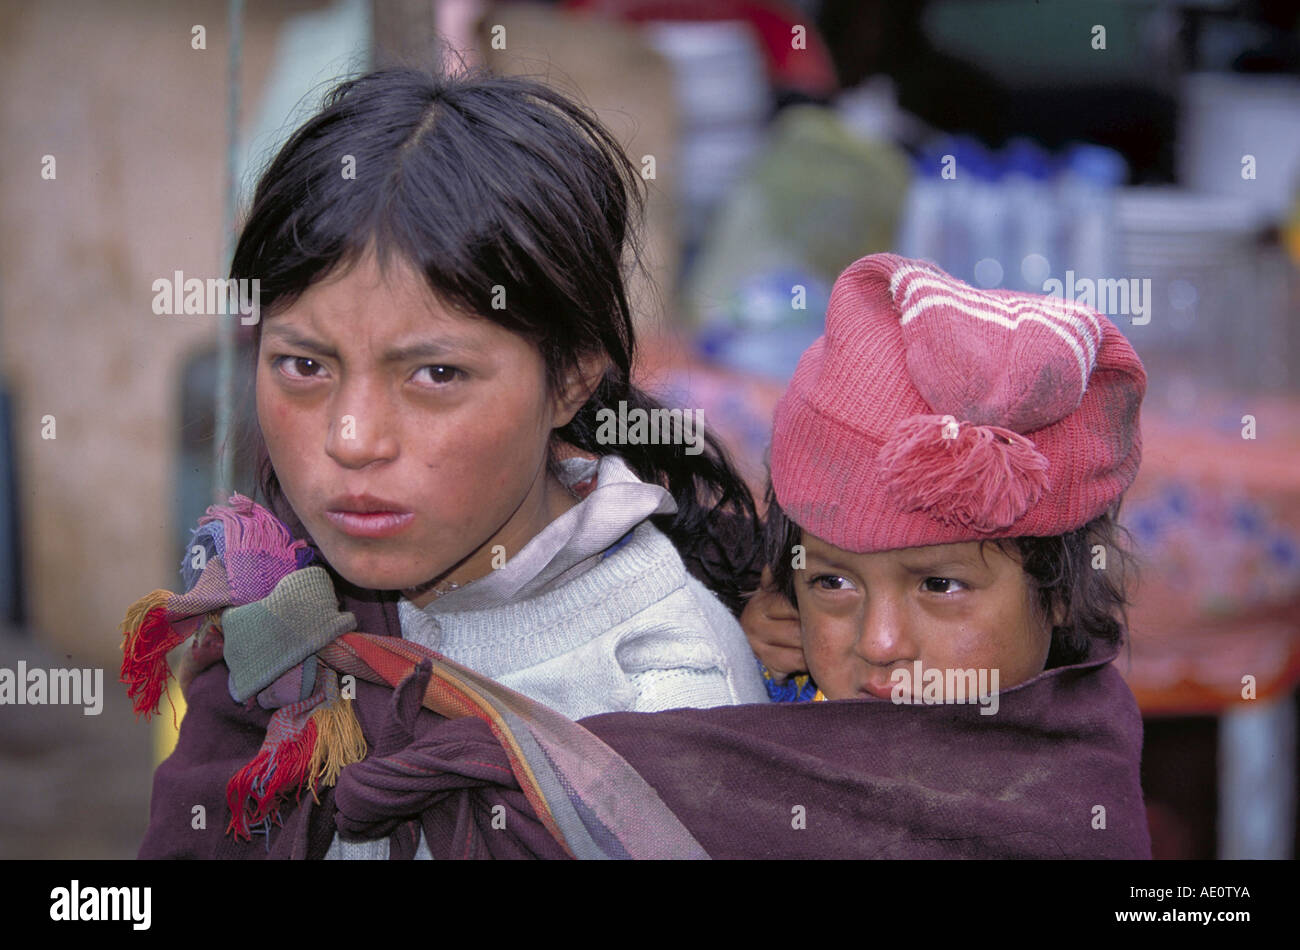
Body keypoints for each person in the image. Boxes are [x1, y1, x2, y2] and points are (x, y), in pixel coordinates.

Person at [309, 252, 1151, 859]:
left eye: (940, 583)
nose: (880, 641)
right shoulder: (760, 714)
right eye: (832, 581)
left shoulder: (1066, 791)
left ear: (1066, 594)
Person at [130, 66, 769, 860]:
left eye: (436, 374)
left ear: (571, 376)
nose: (353, 439)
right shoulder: (282, 618)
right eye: (303, 366)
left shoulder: (663, 695)